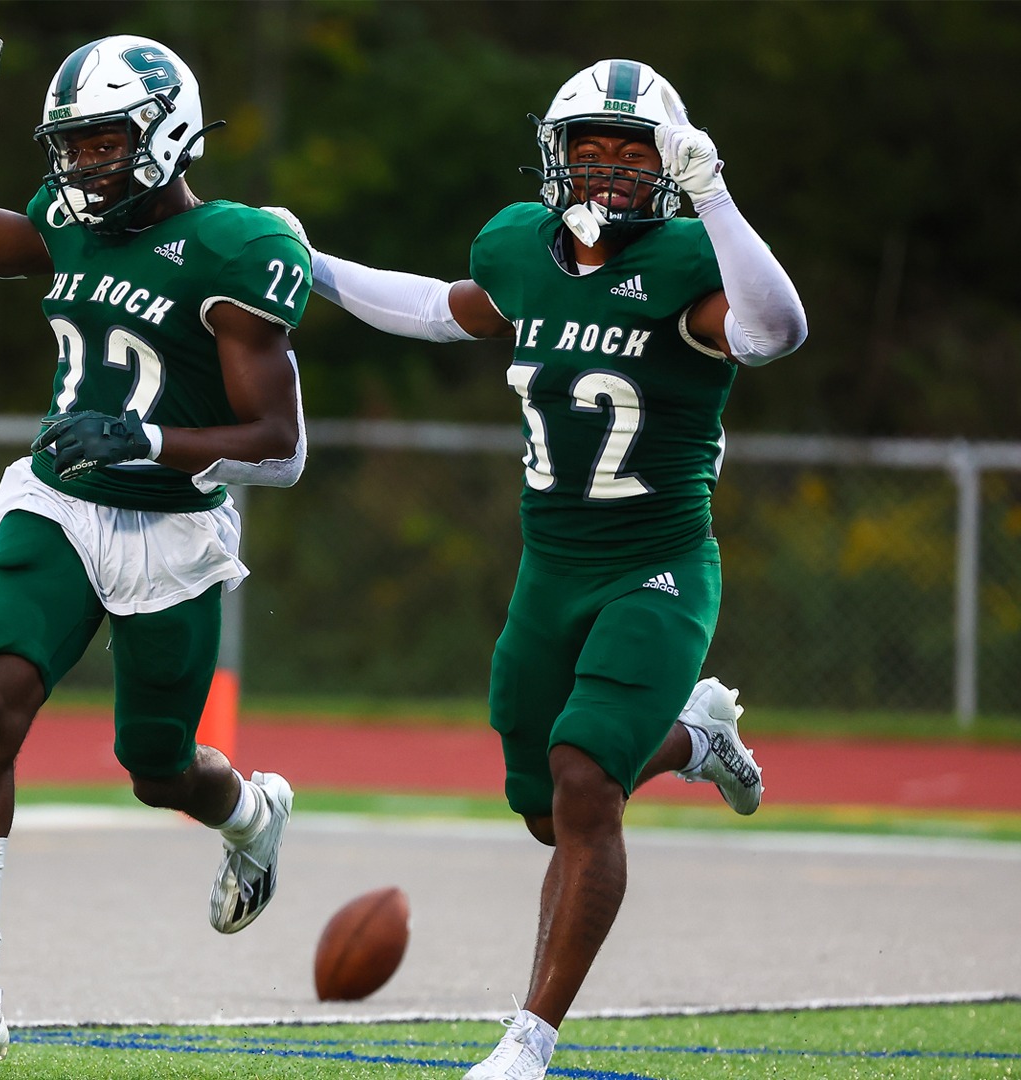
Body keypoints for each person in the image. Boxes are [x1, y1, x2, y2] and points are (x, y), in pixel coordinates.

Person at [281, 59, 805, 1079]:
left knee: (580, 783)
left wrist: (719, 195)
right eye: (589, 150)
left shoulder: (695, 261)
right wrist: (314, 265)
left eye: (632, 151)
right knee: (544, 808)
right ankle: (692, 738)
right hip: (550, 571)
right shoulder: (518, 251)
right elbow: (441, 307)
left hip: (656, 566)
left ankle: (529, 1041)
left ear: (671, 164)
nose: (608, 170)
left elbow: (775, 331)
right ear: (553, 159)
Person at [0, 34, 315, 1060]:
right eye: (69, 146)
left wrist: (153, 439)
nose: (81, 166)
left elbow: (281, 449)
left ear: (168, 133)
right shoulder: (67, 224)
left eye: (104, 143)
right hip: (59, 499)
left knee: (157, 768)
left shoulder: (234, 245)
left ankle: (251, 816)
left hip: (170, 529)